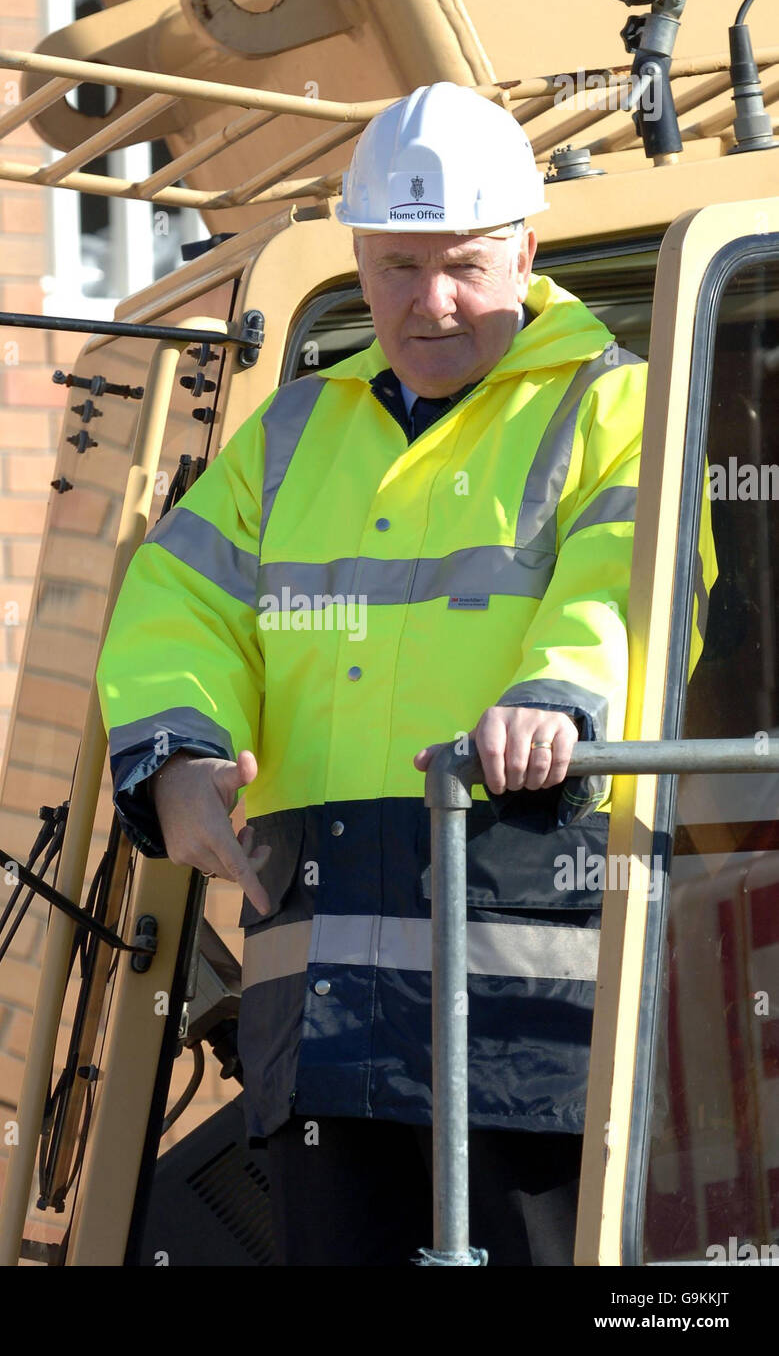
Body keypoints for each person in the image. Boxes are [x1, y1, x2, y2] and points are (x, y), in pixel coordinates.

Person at [96, 82, 715, 1266]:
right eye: (393, 267)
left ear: (526, 251)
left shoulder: (617, 406)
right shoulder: (290, 437)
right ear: (360, 259)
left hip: (524, 1019)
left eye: (465, 266)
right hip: (324, 1017)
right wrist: (172, 756)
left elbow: (631, 587)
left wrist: (558, 701)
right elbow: (176, 604)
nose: (429, 304)